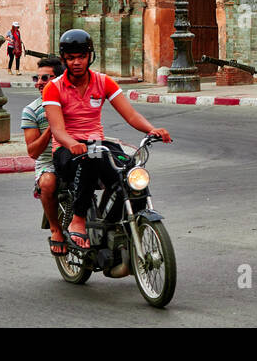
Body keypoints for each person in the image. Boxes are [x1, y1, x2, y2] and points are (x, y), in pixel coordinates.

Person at [43, 28, 171, 252]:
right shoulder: (53, 88)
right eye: (71, 58)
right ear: (64, 59)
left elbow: (131, 115)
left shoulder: (103, 82)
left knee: (131, 169)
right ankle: (79, 219)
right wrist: (72, 143)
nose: (76, 62)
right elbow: (57, 130)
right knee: (92, 157)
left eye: (81, 57)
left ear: (89, 57)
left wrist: (152, 130)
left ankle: (123, 220)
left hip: (97, 145)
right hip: (67, 151)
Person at [21, 56, 65, 254]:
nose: (39, 83)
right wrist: (50, 127)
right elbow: (33, 152)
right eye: (36, 78)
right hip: (49, 162)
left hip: (76, 158)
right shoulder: (32, 110)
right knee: (47, 183)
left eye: (45, 78)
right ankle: (56, 229)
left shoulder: (72, 102)